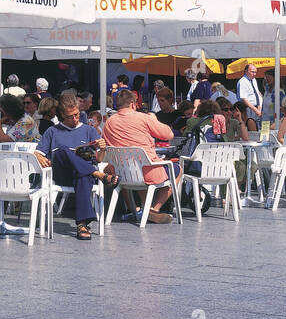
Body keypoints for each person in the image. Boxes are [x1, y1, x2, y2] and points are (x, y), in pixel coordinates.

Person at [35, 91, 110, 240]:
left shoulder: (89, 130)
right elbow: (38, 152)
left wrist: (103, 149)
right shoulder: (52, 131)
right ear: (62, 114)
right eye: (70, 116)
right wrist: (37, 156)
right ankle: (97, 174)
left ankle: (82, 225)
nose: (75, 119)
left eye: (76, 114)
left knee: (82, 175)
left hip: (82, 176)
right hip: (62, 174)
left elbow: (99, 160)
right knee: (63, 150)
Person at [101, 89, 179, 224]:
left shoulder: (109, 123)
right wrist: (154, 119)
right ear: (132, 104)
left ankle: (141, 209)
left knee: (132, 165)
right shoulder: (143, 118)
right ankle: (154, 209)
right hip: (147, 172)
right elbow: (169, 135)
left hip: (122, 173)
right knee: (177, 170)